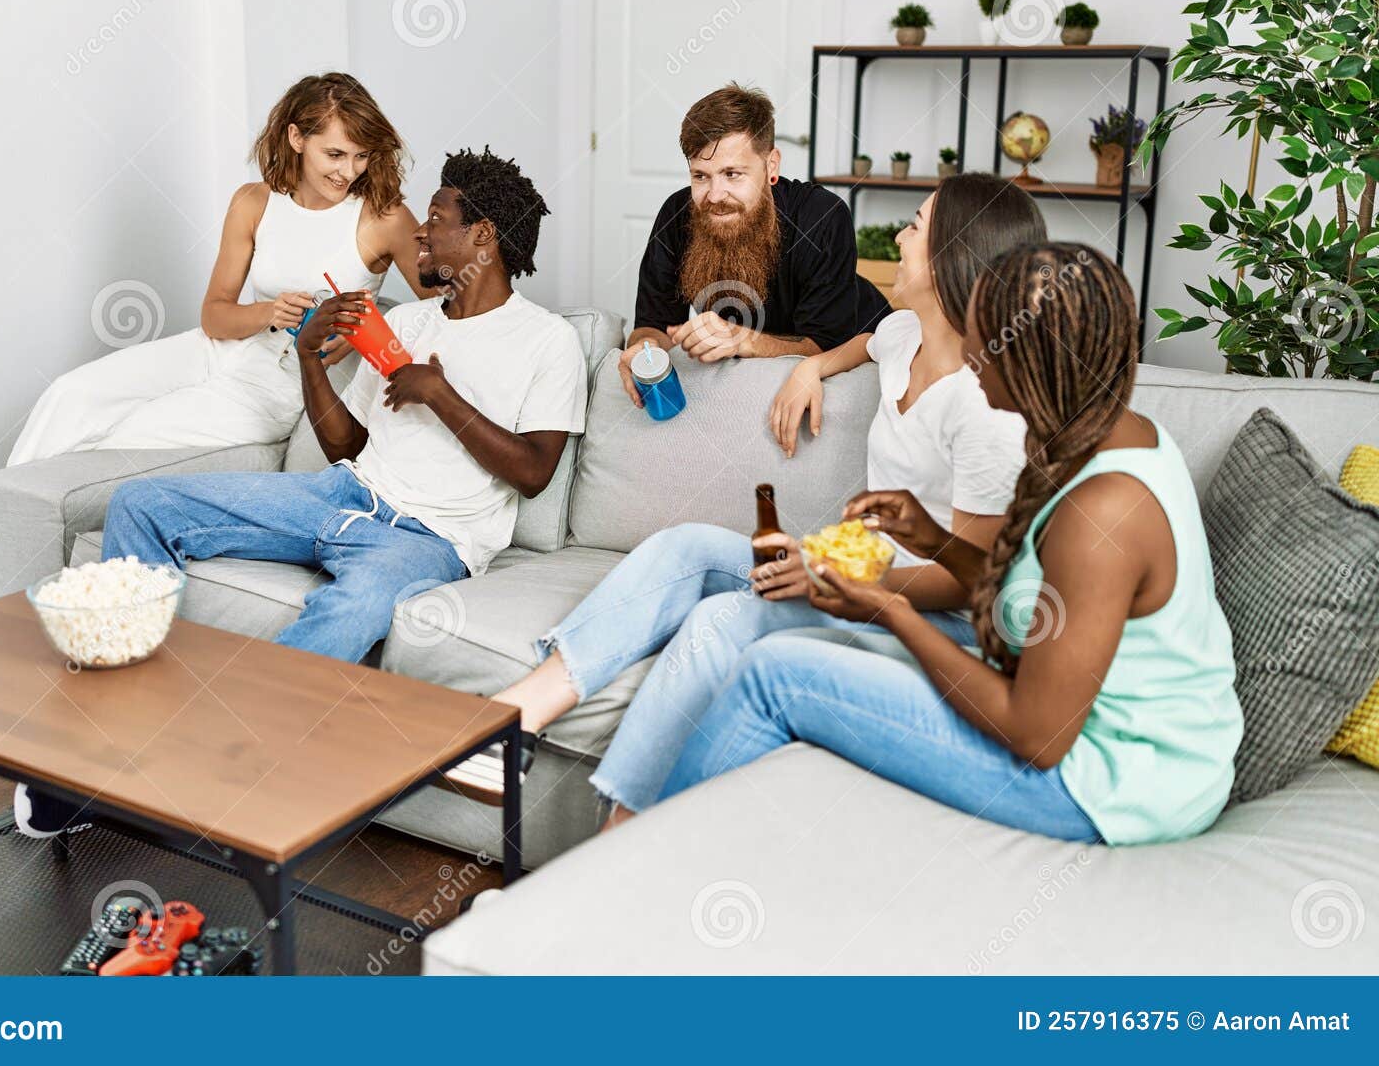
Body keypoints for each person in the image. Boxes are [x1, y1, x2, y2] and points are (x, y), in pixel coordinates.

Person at [12, 146, 588, 838]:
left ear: (484, 236)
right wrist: (312, 358)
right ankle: (118, 731)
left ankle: (201, 770)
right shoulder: (406, 324)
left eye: (436, 219)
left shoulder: (547, 342)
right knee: (142, 504)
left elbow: (533, 470)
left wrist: (439, 393)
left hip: (429, 539)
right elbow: (347, 443)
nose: (421, 233)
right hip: (341, 493)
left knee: (347, 612)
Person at [447, 174, 1046, 806]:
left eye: (917, 226)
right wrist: (810, 367)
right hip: (854, 571)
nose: (898, 236)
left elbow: (972, 582)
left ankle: (623, 826)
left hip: (933, 619)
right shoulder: (904, 335)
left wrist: (831, 576)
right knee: (685, 548)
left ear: (955, 255)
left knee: (720, 620)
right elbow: (866, 343)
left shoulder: (990, 412)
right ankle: (516, 718)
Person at [658, 243, 1242, 846]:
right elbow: (1034, 599)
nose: (966, 355)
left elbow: (1038, 737)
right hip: (1088, 740)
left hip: (1116, 784)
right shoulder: (1106, 431)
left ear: (1030, 360)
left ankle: (652, 867)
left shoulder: (1104, 513)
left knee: (775, 675)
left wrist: (891, 610)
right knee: (783, 639)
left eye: (981, 338)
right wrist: (933, 539)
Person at [0, 72, 433, 622]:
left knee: (126, 433)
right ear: (295, 138)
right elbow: (214, 315)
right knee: (71, 395)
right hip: (217, 348)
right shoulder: (255, 203)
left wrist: (367, 323)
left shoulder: (384, 217)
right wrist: (268, 312)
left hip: (278, 384)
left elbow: (443, 312)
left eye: (360, 156)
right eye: (335, 153)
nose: (348, 170)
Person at [617, 82, 889, 407]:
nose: (715, 196)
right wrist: (644, 349)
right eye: (701, 176)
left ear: (771, 165)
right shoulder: (676, 214)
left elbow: (822, 347)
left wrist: (743, 340)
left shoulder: (821, 216)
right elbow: (653, 324)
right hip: (749, 372)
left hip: (857, 359)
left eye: (732, 174)